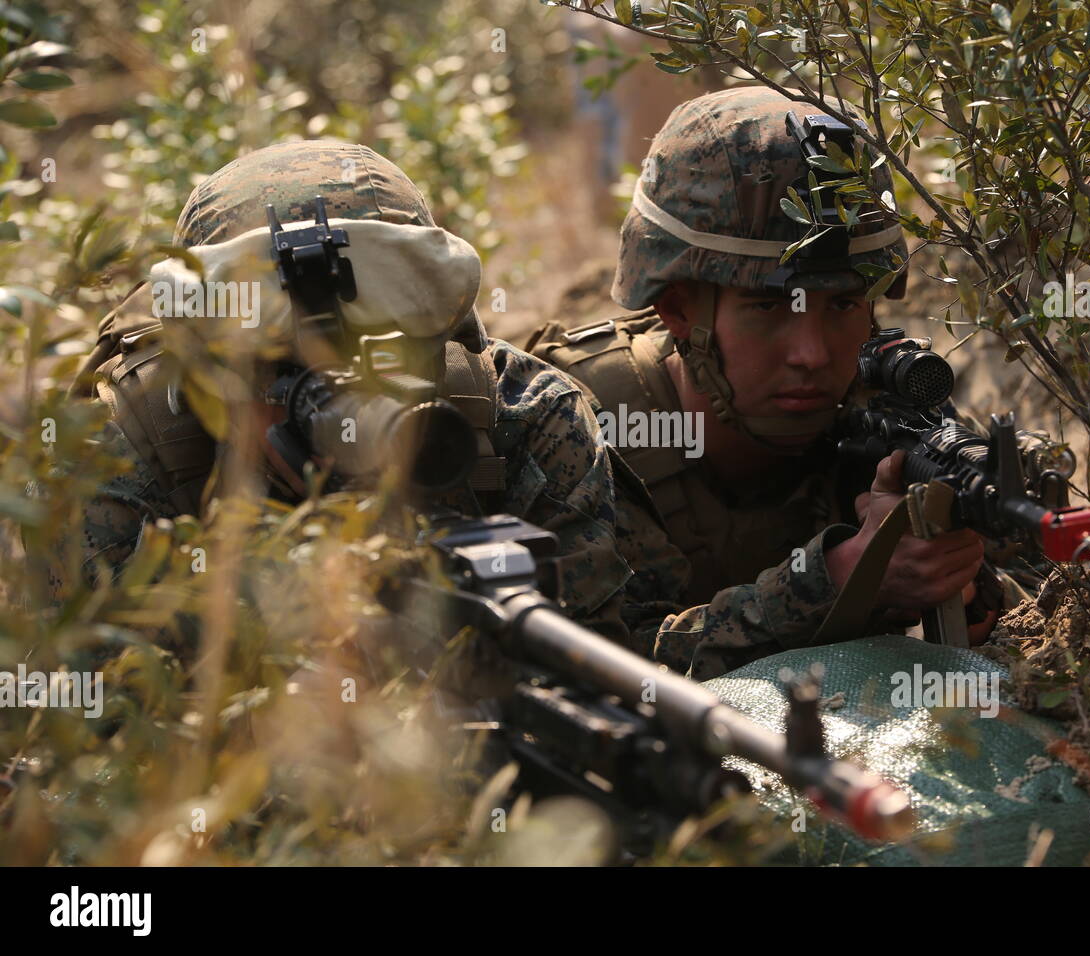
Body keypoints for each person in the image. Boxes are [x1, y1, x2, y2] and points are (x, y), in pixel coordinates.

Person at [52, 140, 633, 644]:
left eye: (381, 356)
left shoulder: (524, 415)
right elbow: (91, 737)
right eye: (284, 370)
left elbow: (599, 653)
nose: (345, 401)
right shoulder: (114, 455)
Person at [529, 87, 1000, 680]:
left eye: (844, 304)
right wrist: (837, 578)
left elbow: (1042, 589)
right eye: (768, 309)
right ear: (679, 312)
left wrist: (968, 595)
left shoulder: (887, 410)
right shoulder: (582, 425)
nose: (811, 354)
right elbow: (598, 666)